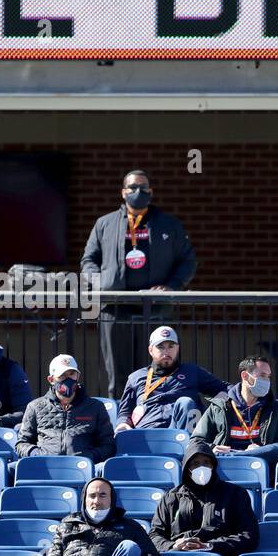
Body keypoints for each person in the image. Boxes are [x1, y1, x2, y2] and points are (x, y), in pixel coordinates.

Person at [81, 170, 197, 398]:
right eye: (133, 187)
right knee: (118, 372)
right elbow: (88, 260)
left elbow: (188, 259)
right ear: (123, 192)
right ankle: (122, 423)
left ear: (151, 192)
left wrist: (171, 286)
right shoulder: (105, 224)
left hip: (155, 309)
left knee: (160, 369)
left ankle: (157, 417)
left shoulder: (168, 224)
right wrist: (100, 284)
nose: (138, 192)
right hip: (115, 309)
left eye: (144, 188)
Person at [150, 440, 259, 556]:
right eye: (195, 464)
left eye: (206, 463)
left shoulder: (235, 494)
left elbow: (249, 535)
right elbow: (154, 535)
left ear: (213, 465)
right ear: (187, 469)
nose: (201, 468)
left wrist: (209, 546)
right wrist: (174, 545)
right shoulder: (171, 497)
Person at [43, 476, 162, 556]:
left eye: (103, 495)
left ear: (112, 499)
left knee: (129, 546)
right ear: (84, 499)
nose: (97, 501)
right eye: (92, 496)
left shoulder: (130, 527)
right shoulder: (67, 526)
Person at [191, 354, 278, 479]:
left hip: (260, 471)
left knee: (277, 449)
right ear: (245, 376)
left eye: (268, 377)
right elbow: (195, 442)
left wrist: (255, 452)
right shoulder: (218, 407)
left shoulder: (277, 409)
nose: (267, 381)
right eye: (262, 376)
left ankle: (235, 457)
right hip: (223, 473)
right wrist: (212, 448)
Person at [116, 326, 228, 432]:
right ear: (151, 350)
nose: (166, 352)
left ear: (177, 349)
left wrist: (213, 413)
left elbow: (227, 389)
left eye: (171, 346)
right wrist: (123, 423)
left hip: (181, 435)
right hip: (146, 433)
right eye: (160, 347)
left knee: (185, 402)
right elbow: (125, 412)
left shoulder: (192, 372)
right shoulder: (135, 377)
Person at [14, 353, 115, 463]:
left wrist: (90, 457)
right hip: (44, 467)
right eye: (62, 375)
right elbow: (21, 443)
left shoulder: (96, 407)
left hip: (82, 468)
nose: (68, 379)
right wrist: (37, 455)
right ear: (51, 379)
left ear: (78, 376)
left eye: (72, 374)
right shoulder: (35, 406)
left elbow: (109, 445)